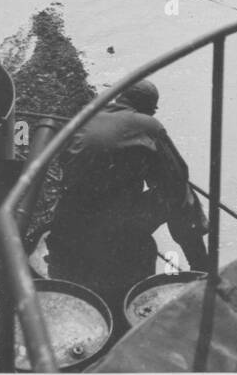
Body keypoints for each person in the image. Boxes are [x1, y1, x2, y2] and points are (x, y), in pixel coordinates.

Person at [45, 79, 209, 314]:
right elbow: (175, 177)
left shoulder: (85, 115)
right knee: (180, 193)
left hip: (68, 221)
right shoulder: (147, 125)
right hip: (110, 226)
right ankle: (201, 267)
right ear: (149, 108)